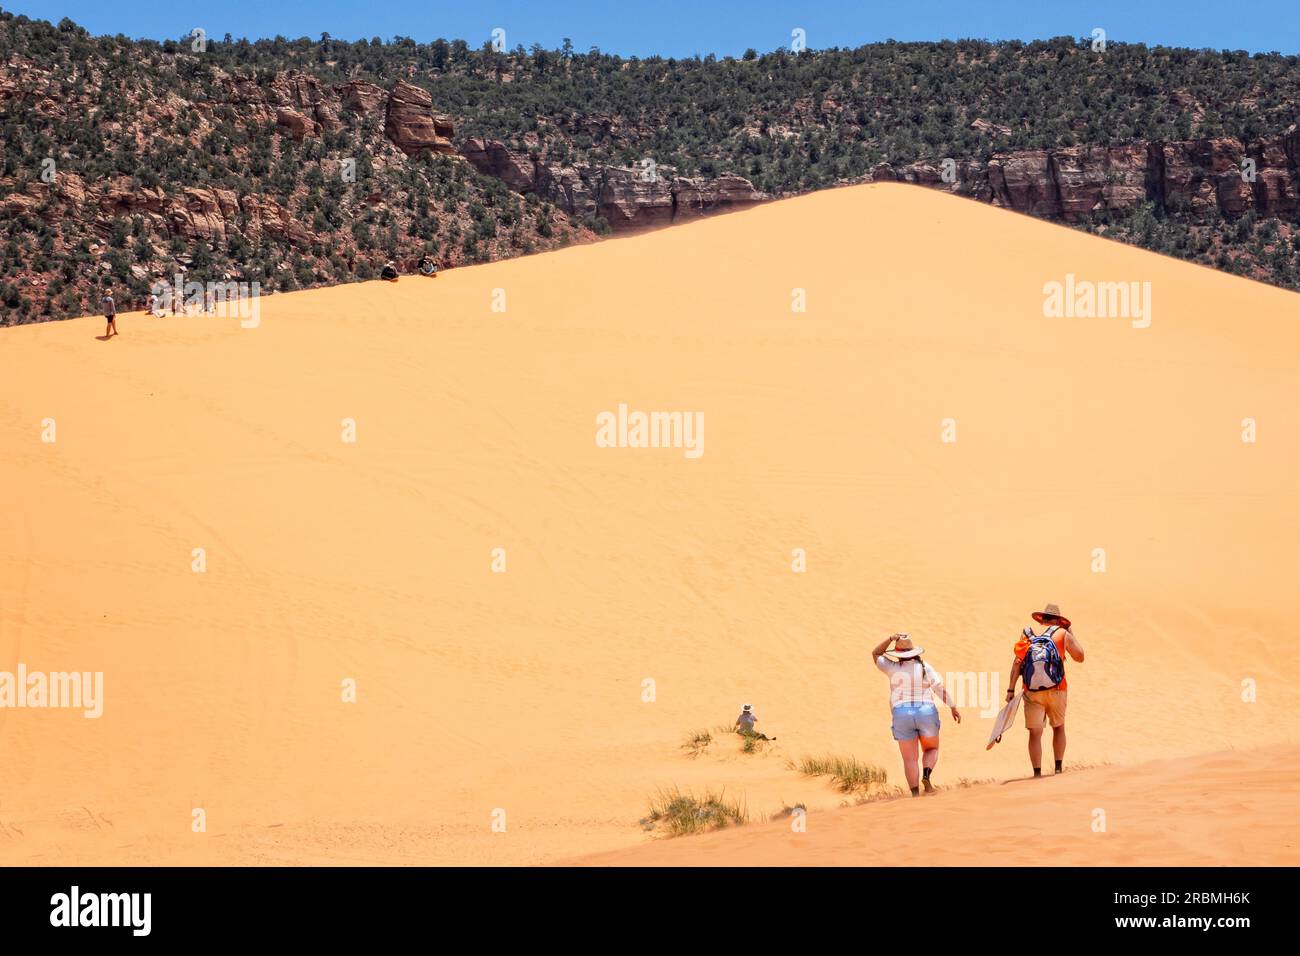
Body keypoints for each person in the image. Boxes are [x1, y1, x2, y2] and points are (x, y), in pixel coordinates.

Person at [871, 633, 961, 796]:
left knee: (909, 759)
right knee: (932, 748)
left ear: (898, 654)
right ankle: (926, 775)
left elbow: (876, 653)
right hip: (925, 711)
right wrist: (953, 706)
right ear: (914, 652)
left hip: (901, 713)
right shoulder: (925, 667)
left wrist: (891, 639)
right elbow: (940, 688)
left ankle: (915, 794)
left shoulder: (892, 668)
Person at [1006, 603, 1085, 776]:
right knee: (1058, 727)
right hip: (1058, 689)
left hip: (1031, 691)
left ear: (1042, 619)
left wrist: (1010, 690)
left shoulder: (1027, 634)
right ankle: (1058, 769)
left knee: (1035, 733)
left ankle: (1037, 773)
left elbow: (1017, 663)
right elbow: (1080, 657)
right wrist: (1071, 633)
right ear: (1058, 620)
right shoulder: (1062, 633)